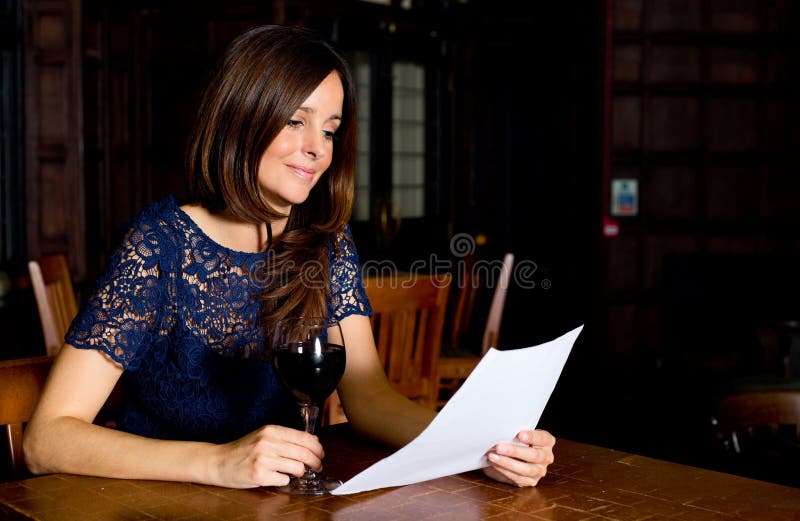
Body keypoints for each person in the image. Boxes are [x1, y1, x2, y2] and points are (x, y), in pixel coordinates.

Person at [23, 24, 555, 489]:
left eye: (330, 130)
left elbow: (370, 399)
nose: (318, 149)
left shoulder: (326, 240)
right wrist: (220, 463)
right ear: (241, 117)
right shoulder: (159, 245)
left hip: (280, 507)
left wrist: (481, 448)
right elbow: (46, 440)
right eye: (296, 122)